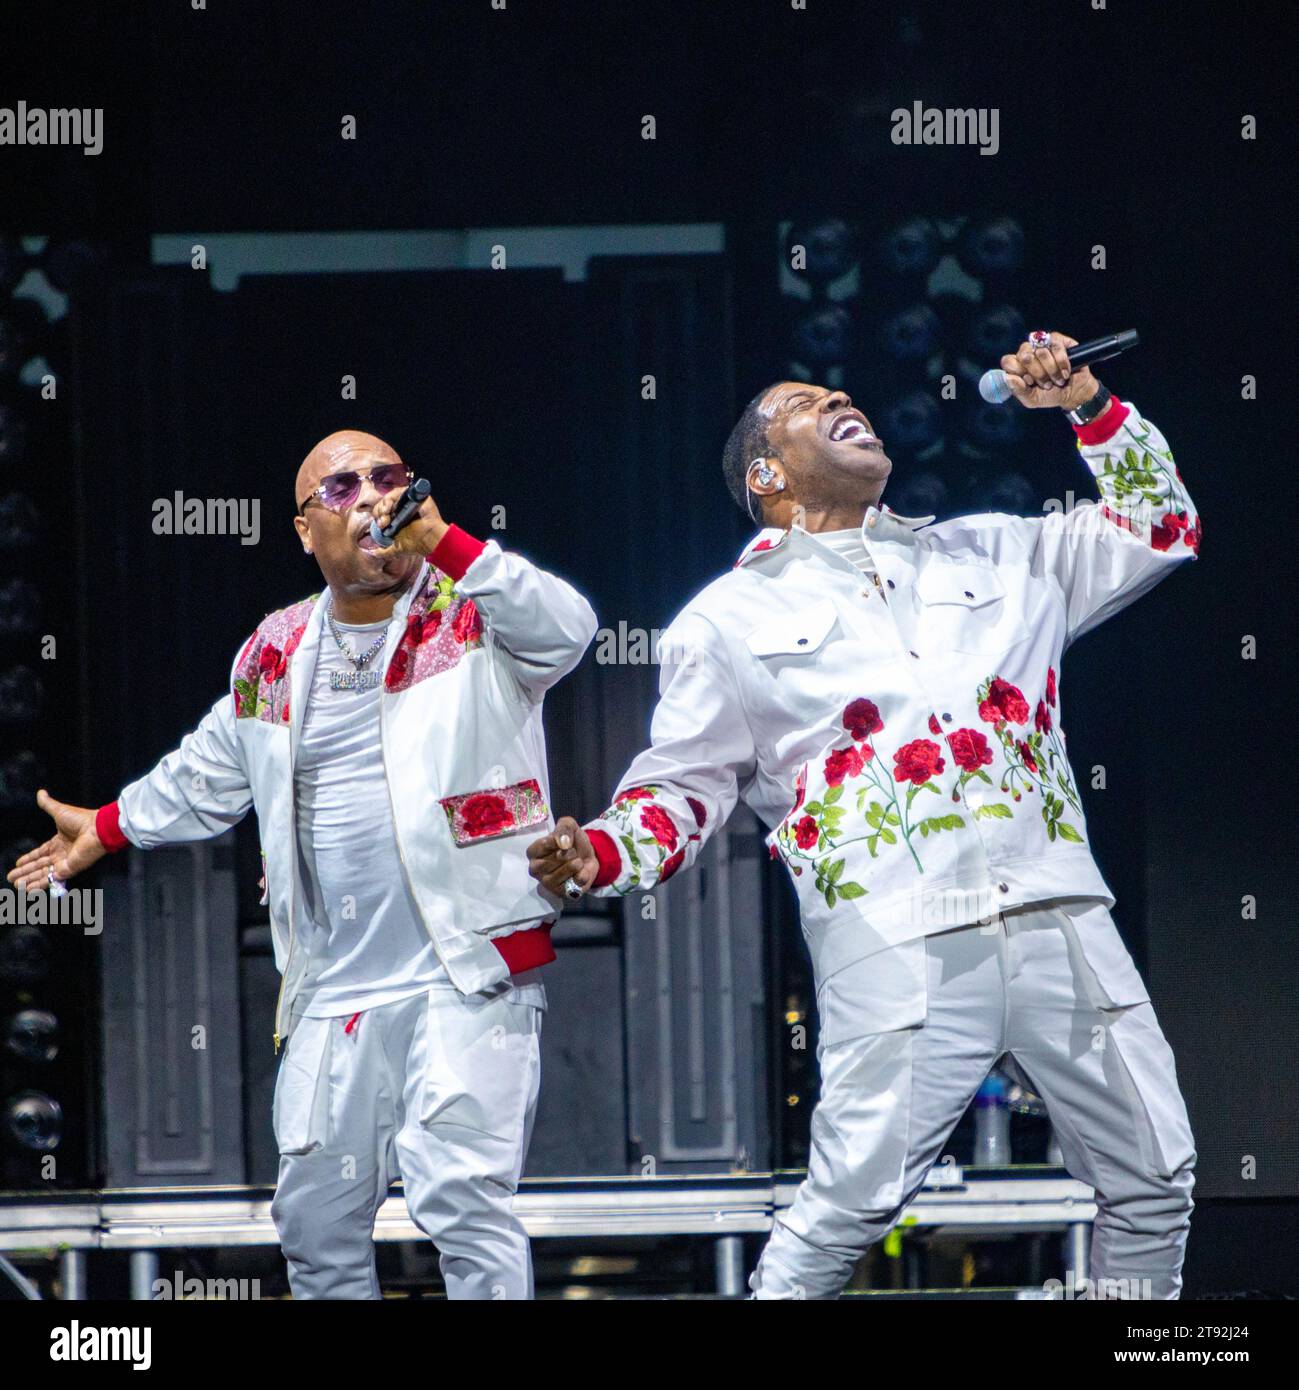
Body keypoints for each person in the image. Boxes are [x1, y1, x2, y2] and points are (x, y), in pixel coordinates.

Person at [528, 332, 1200, 1299]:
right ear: (767, 473)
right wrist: (595, 852)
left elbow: (1162, 527)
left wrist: (1086, 405)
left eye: (836, 389)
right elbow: (681, 785)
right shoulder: (724, 620)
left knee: (1155, 1178)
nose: (837, 395)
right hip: (897, 940)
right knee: (850, 1205)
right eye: (804, 401)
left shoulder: (999, 551)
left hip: (1059, 914)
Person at [9, 429, 597, 1300]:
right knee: (315, 1222)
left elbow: (569, 630)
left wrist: (449, 545)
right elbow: (211, 768)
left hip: (465, 970)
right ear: (303, 529)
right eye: (342, 486)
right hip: (332, 986)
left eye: (387, 477)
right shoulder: (277, 647)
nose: (370, 495)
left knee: (462, 1200)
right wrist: (108, 823)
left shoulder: (470, 610)